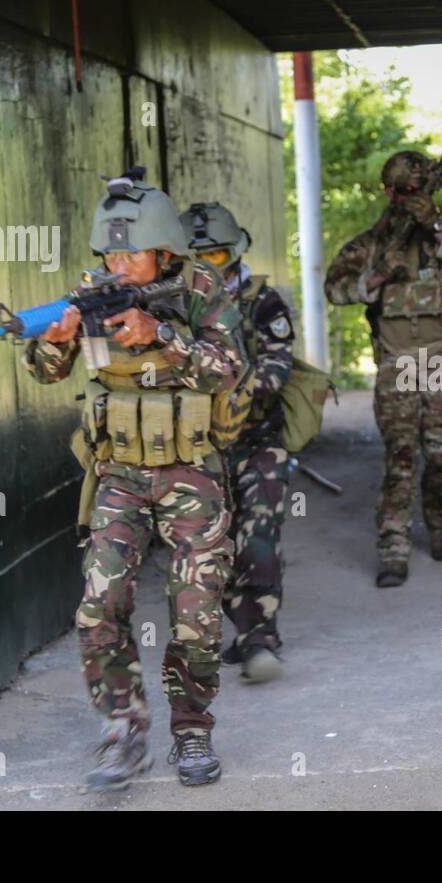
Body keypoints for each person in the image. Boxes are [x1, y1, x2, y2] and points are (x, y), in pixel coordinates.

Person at [24, 170, 247, 790]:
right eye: (110, 253)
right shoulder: (91, 290)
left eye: (131, 253)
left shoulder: (204, 287)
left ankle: (192, 728)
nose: (117, 265)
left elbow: (229, 370)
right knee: (99, 606)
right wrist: (53, 342)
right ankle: (122, 729)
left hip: (191, 473)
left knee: (196, 609)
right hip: (119, 472)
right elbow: (45, 372)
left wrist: (163, 336)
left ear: (165, 249)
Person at [324, 150, 442, 587]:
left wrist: (437, 225)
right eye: (403, 192)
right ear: (388, 192)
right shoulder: (372, 243)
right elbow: (334, 289)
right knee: (399, 456)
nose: (409, 200)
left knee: (440, 456)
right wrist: (374, 280)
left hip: (441, 362)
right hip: (397, 366)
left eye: (417, 192)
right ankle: (393, 545)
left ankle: (439, 525)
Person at [180, 201, 293, 684]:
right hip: (198, 446)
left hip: (258, 440)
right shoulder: (172, 304)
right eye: (199, 260)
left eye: (220, 259)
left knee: (259, 537)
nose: (210, 269)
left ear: (236, 254)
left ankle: (261, 637)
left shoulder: (262, 302)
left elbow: (277, 364)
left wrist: (234, 391)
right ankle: (240, 630)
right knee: (209, 544)